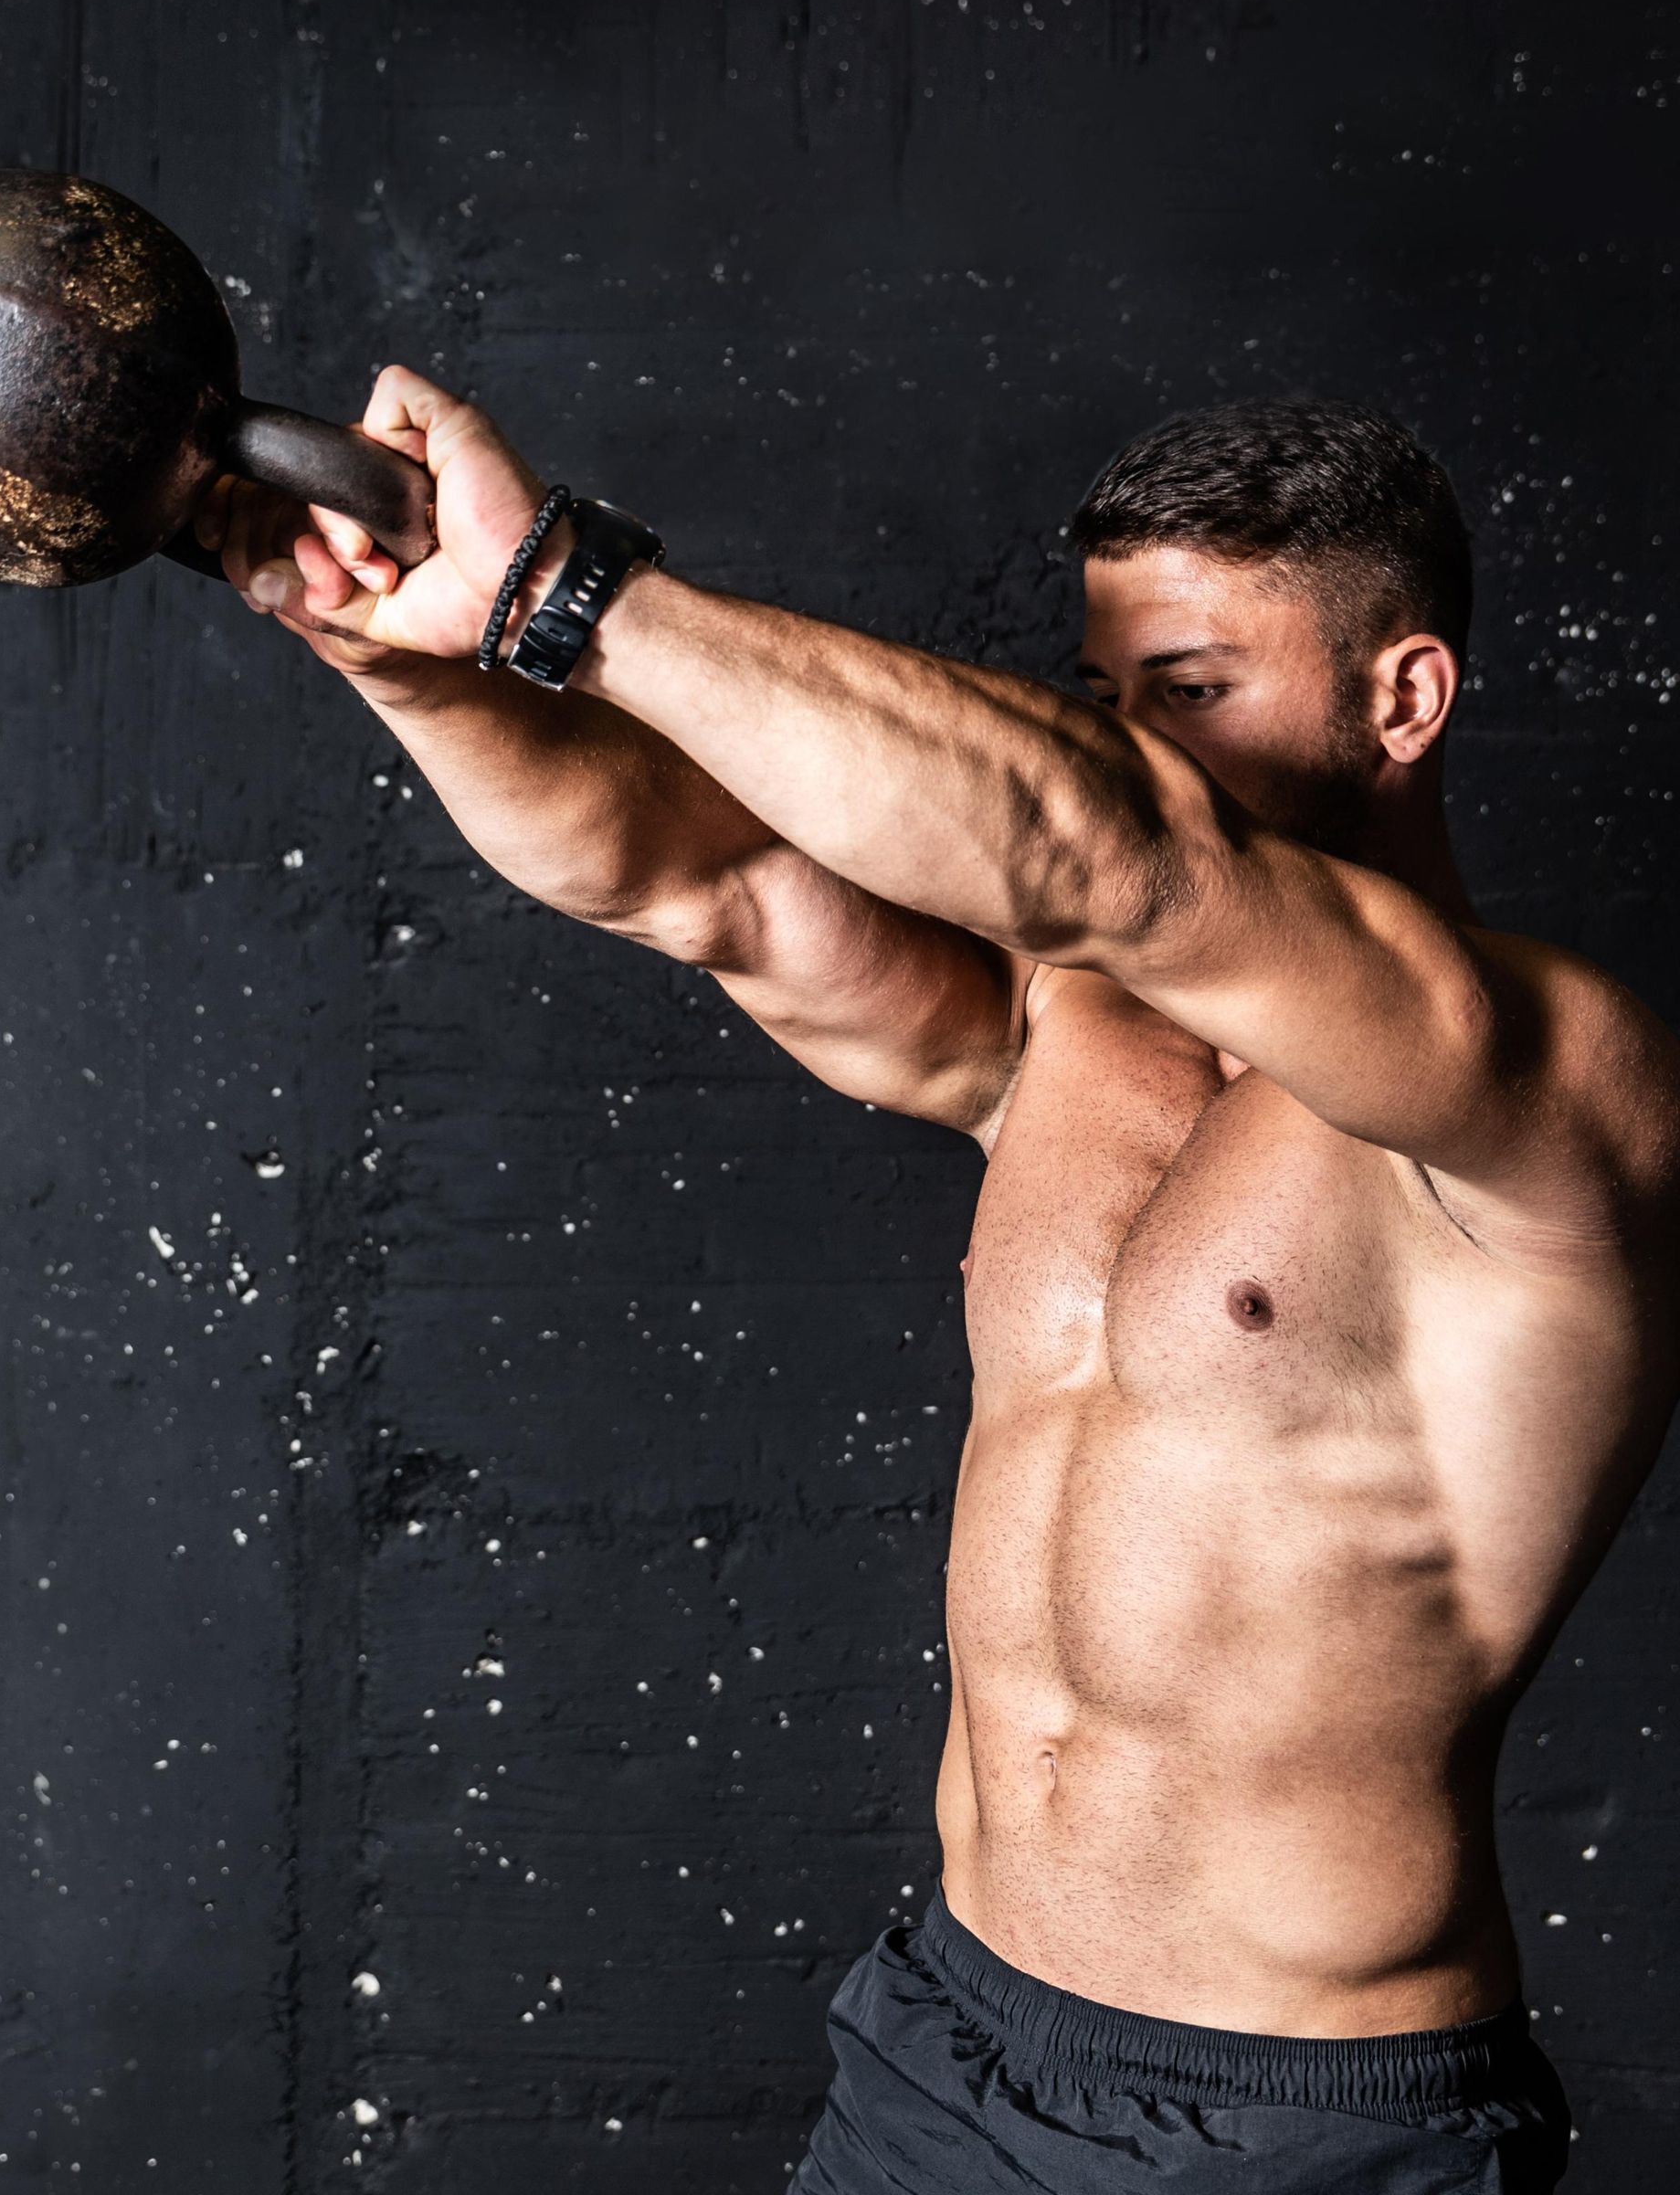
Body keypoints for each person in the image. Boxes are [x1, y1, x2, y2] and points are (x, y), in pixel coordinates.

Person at [201, 380, 1680, 2190]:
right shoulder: (1075, 1021)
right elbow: (702, 882)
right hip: (946, 2051)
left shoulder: (1543, 1088)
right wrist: (400, 653)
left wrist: (564, 587)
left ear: (1405, 697)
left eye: (1194, 688)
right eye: (1106, 695)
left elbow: (1123, 857)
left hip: (1301, 2119)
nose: (1137, 741)